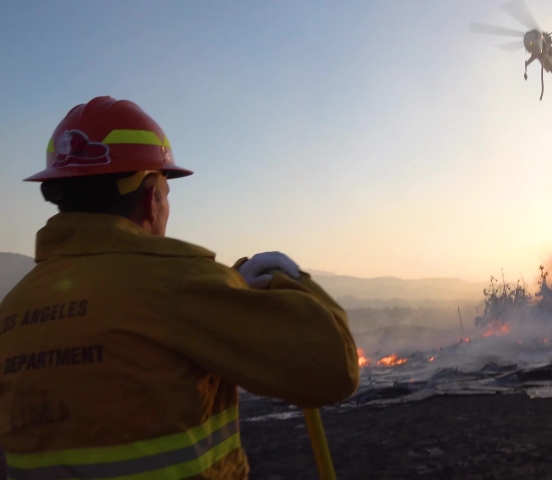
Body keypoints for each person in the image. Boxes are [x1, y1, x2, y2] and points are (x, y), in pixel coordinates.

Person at [0, 96, 359, 479]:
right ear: (151, 199)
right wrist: (289, 283)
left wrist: (231, 286)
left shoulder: (13, 309)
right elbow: (334, 370)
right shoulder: (178, 282)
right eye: (166, 193)